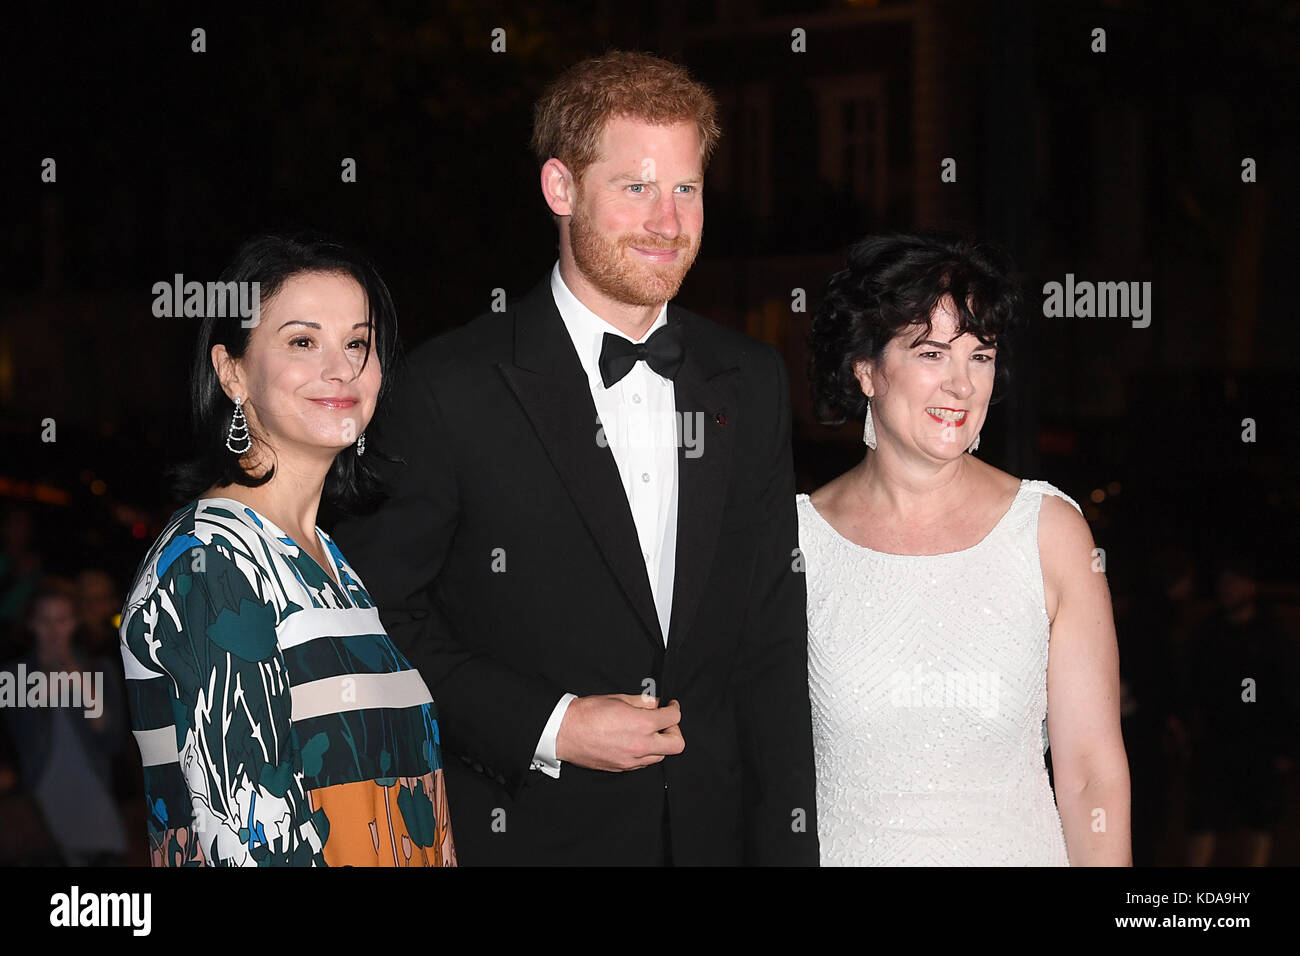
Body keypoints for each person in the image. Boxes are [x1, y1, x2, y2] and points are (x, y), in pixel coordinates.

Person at [332, 50, 819, 865]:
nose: (668, 222)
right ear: (561, 189)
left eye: (686, 189)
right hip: (527, 837)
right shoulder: (450, 386)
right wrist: (550, 724)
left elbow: (772, 643)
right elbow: (377, 618)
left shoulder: (754, 379)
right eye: (635, 187)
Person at [118, 232, 455, 866]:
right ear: (232, 371)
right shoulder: (208, 564)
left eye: (358, 343)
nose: (341, 368)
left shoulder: (328, 559)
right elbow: (250, 844)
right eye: (303, 341)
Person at [800, 232, 1131, 865]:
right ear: (866, 369)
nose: (961, 384)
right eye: (931, 353)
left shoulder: (1049, 532)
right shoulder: (795, 544)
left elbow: (1091, 771)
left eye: (979, 357)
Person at [1177, 552, 1296, 866]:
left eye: (1234, 582)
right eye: (1223, 582)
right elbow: (1189, 684)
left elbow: (1287, 691)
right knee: (1203, 821)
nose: (1226, 589)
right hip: (1214, 745)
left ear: (1250, 586)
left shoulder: (1273, 634)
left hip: (1260, 747)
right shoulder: (1208, 632)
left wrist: (1286, 748)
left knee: (1258, 823)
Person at [2, 578, 129, 865]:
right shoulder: (13, 676)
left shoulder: (100, 670)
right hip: (39, 814)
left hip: (94, 807)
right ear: (31, 623)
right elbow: (21, 740)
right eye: (44, 621)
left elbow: (110, 740)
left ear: (75, 623)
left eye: (62, 621)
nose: (53, 632)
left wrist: (79, 678)